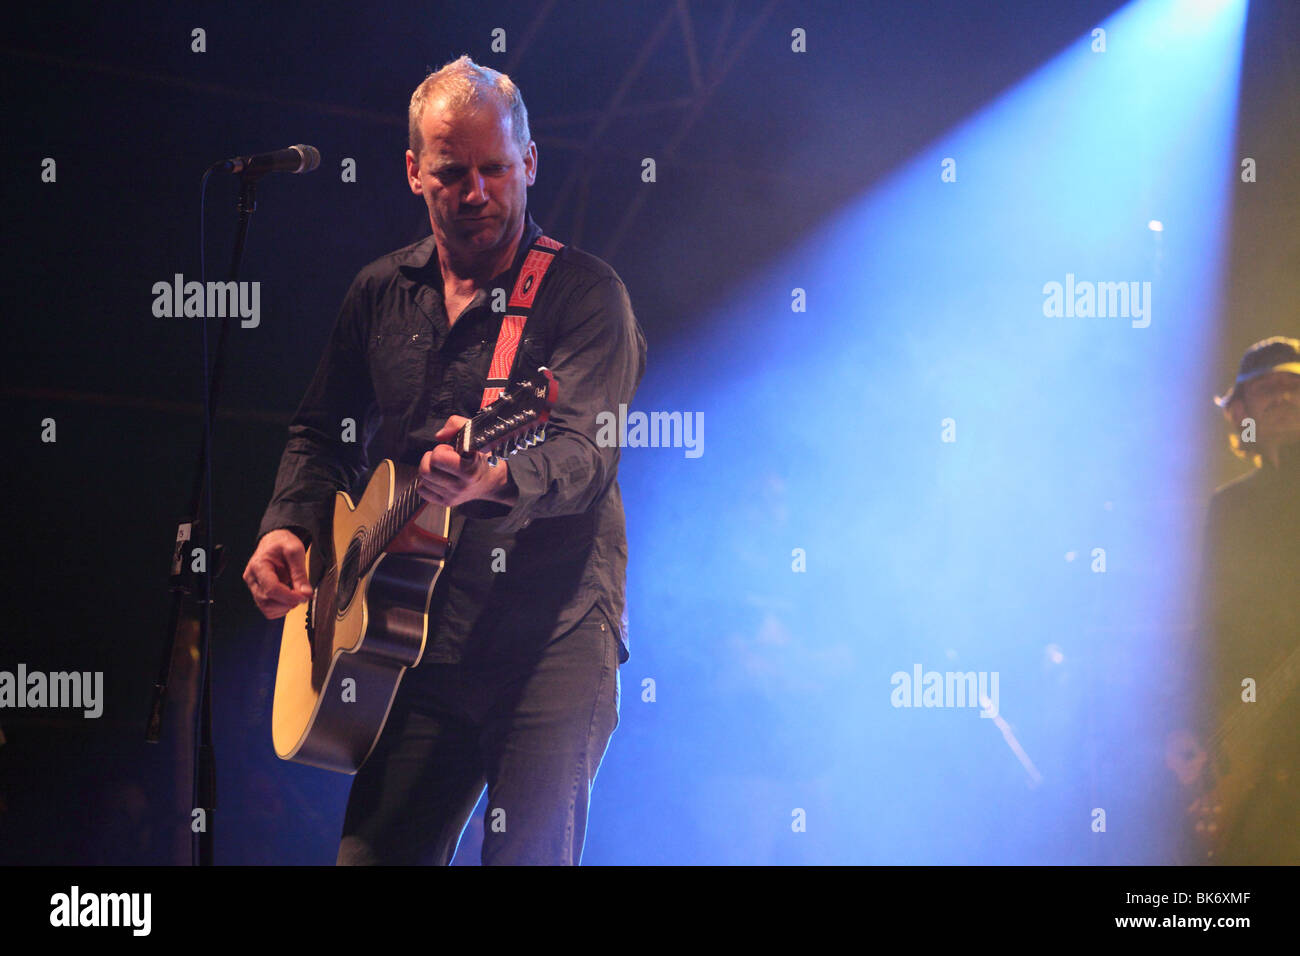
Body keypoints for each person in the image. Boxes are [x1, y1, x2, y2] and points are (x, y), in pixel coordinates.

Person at [240, 55, 647, 865]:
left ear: (529, 163)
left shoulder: (584, 294)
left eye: (496, 169)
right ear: (412, 173)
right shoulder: (380, 291)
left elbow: (586, 453)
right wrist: (287, 525)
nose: (477, 193)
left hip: (552, 638)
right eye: (452, 172)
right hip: (414, 645)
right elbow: (317, 431)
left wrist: (498, 477)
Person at [1186, 335, 1300, 863]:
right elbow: (1214, 625)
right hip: (1255, 740)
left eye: (1293, 387)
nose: (1281, 399)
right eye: (1266, 391)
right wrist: (1201, 731)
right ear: (1240, 415)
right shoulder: (1230, 507)